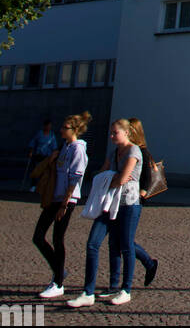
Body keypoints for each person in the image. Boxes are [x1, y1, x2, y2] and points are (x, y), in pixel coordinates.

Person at [68, 118, 144, 307]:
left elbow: (122, 178)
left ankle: (126, 289)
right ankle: (88, 292)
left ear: (127, 132)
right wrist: (103, 179)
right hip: (110, 203)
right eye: (111, 133)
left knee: (126, 246)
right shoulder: (114, 151)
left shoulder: (134, 151)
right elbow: (103, 173)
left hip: (128, 204)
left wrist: (103, 180)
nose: (111, 136)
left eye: (115, 133)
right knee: (93, 243)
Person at [32, 111, 91, 299]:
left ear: (74, 130)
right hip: (55, 198)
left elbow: (75, 178)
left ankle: (58, 283)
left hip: (66, 200)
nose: (61, 130)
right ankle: (59, 270)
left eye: (65, 128)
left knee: (58, 239)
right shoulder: (64, 146)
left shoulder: (77, 149)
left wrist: (64, 204)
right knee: (38, 236)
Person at [96, 118, 158, 295]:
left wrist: (142, 194)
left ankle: (144, 268)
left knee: (126, 243)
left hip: (132, 201)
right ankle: (115, 284)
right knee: (119, 242)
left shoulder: (139, 152)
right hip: (117, 201)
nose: (114, 135)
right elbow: (109, 173)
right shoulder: (118, 152)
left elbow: (146, 177)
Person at [27, 119, 58, 190]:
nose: (48, 128)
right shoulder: (39, 134)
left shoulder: (52, 135)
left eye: (50, 126)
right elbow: (33, 142)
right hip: (38, 155)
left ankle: (42, 185)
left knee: (45, 171)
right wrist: (31, 151)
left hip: (47, 156)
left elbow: (54, 146)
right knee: (36, 170)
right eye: (47, 126)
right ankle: (33, 185)